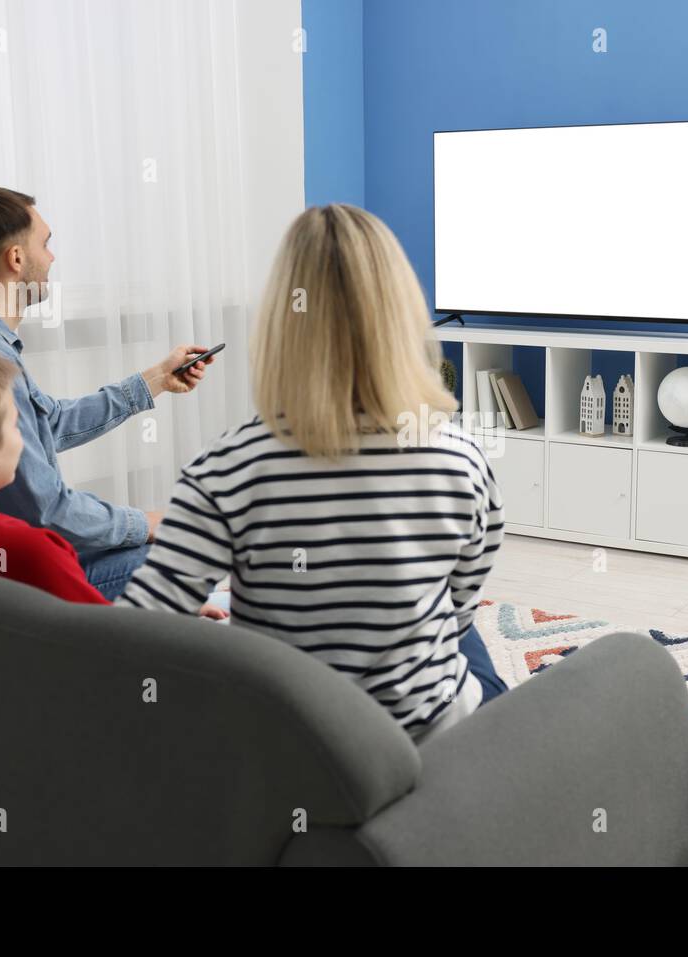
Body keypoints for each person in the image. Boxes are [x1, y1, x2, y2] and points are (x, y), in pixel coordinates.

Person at [118, 204, 508, 739]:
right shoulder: (461, 459)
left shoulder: (226, 469)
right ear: (402, 317)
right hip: (426, 749)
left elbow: (136, 636)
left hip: (295, 755)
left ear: (281, 322)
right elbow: (459, 610)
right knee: (465, 640)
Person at [0, 184, 216, 600]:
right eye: (45, 242)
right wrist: (149, 523)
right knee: (183, 557)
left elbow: (45, 422)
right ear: (16, 259)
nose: (52, 257)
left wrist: (155, 380)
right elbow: (48, 511)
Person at [0, 340, 228, 621]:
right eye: (19, 425)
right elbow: (112, 639)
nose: (29, 437)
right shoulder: (35, 551)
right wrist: (178, 619)